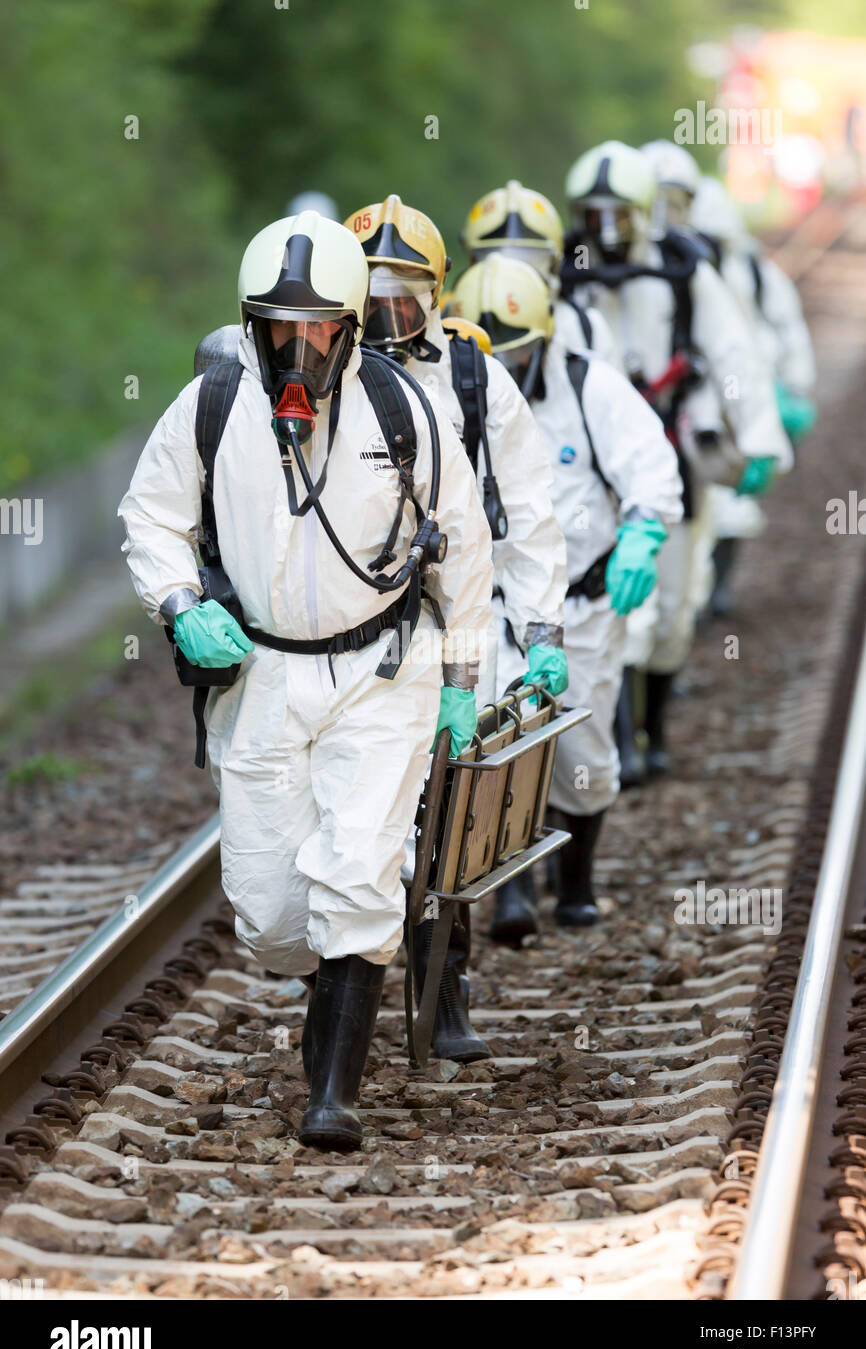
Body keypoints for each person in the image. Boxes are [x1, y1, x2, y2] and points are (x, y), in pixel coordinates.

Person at [118, 211, 493, 1151]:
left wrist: (461, 681)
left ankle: (333, 1099)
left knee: (358, 875)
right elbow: (150, 515)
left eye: (319, 326)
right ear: (252, 326)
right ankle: (325, 984)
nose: (299, 346)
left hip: (382, 673)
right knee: (274, 918)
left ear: (352, 325)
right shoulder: (210, 406)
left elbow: (467, 550)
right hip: (262, 681)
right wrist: (176, 602)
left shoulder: (408, 411)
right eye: (278, 326)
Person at [346, 193, 568, 1039]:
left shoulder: (475, 378)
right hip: (350, 627)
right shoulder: (319, 372)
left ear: (438, 293)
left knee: (451, 815)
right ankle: (344, 997)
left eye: (405, 289)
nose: (386, 308)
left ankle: (445, 991)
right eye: (371, 288)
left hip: (457, 623)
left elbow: (530, 509)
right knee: (365, 818)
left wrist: (542, 634)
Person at [449, 255, 683, 938]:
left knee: (581, 756)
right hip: (488, 607)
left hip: (581, 603)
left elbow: (651, 465)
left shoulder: (590, 387)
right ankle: (510, 890)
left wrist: (642, 534)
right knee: (495, 743)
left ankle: (575, 880)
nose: (508, 368)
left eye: (519, 353)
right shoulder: (449, 393)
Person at [562, 142, 789, 776]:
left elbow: (732, 351)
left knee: (670, 607)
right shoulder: (566, 272)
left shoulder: (682, 271)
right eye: (593, 214)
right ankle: (622, 744)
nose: (607, 231)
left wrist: (759, 436)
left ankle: (653, 724)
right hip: (590, 458)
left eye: (620, 216)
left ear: (644, 213)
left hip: (671, 445)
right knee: (607, 602)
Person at [690, 176, 816, 614]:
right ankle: (694, 596)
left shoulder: (756, 274)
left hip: (742, 396)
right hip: (698, 402)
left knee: (733, 505)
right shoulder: (673, 278)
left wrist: (793, 391)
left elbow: (786, 330)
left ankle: (715, 590)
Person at [460, 178, 623, 366]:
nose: (511, 278)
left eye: (529, 260)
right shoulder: (451, 322)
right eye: (493, 257)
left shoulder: (586, 329)